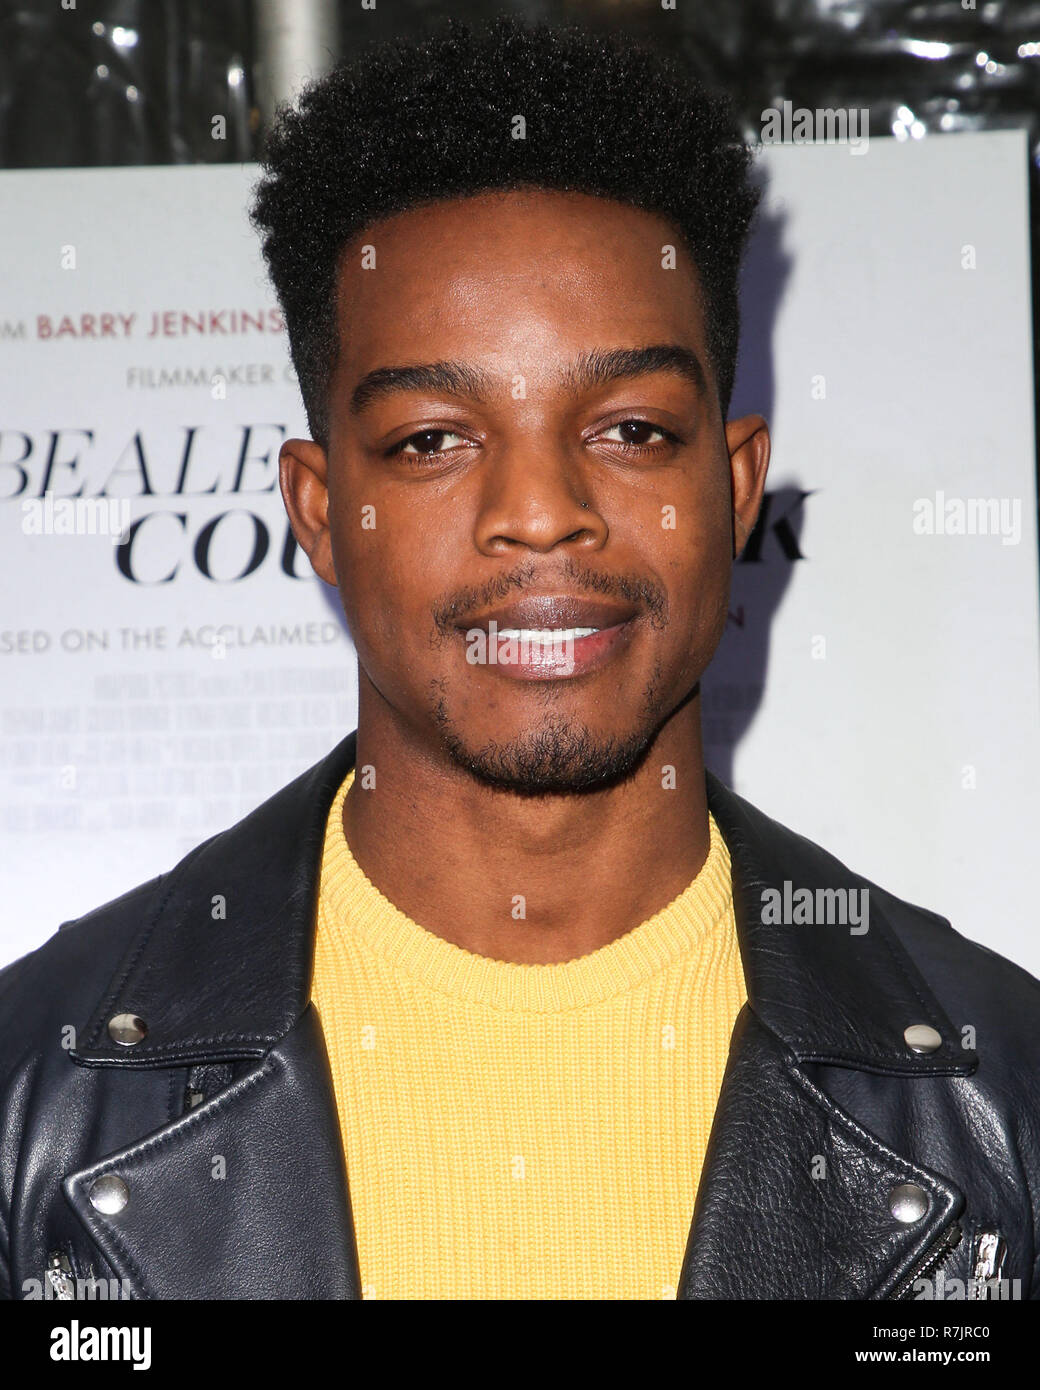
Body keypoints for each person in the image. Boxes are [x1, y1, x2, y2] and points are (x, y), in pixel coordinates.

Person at [2, 18, 1038, 1302]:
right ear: (321, 512)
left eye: (629, 428)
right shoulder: (34, 1099)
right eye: (433, 438)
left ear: (732, 487)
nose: (540, 510)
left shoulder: (1003, 1099)